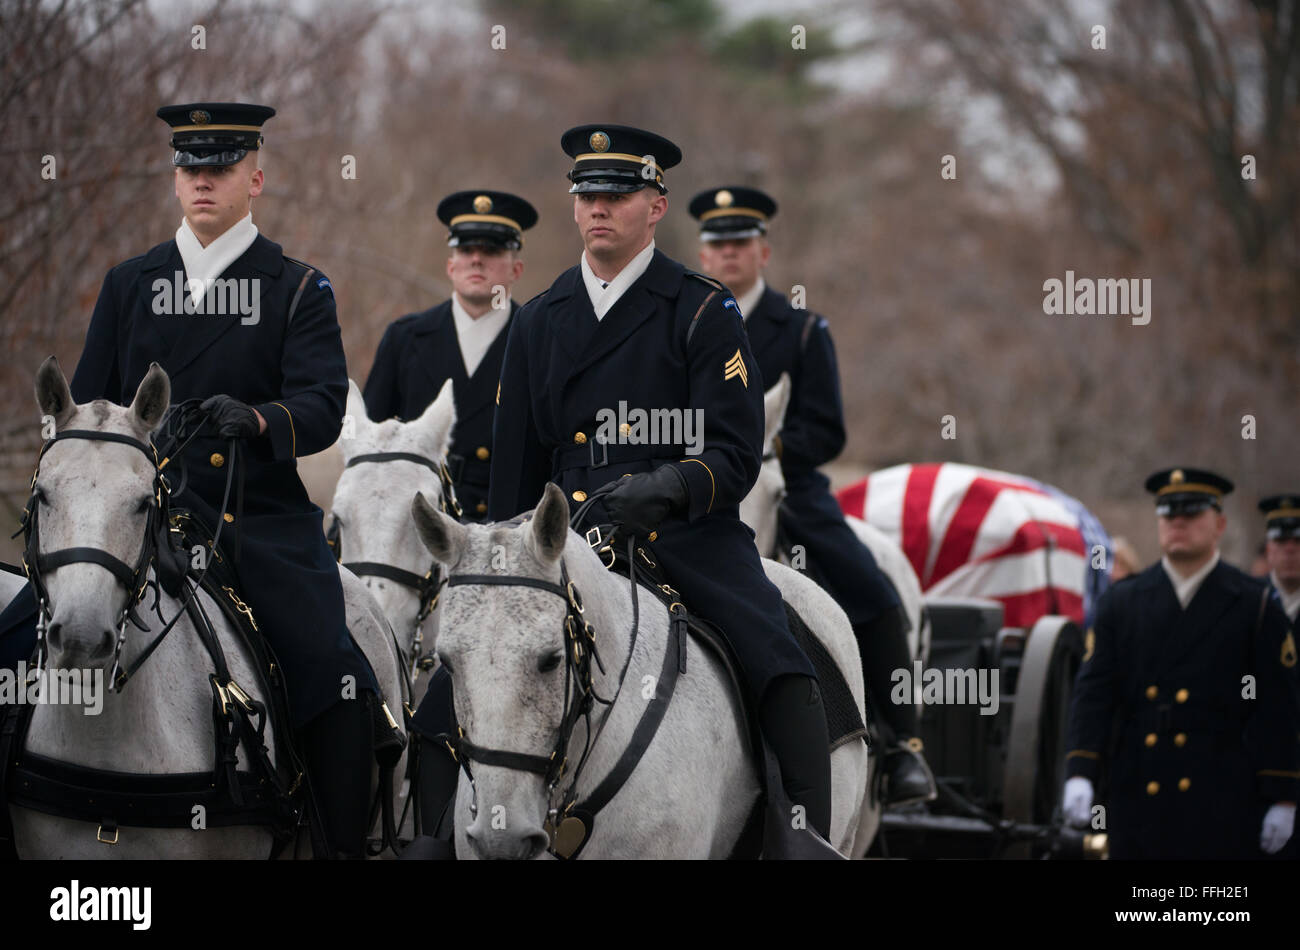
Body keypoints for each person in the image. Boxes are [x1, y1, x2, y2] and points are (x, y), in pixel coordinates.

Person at [410, 125, 833, 856]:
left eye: (618, 193)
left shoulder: (702, 311)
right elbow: (515, 477)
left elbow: (735, 456)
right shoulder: (539, 318)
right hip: (563, 543)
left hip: (688, 538)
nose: (598, 207)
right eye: (586, 194)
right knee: (442, 703)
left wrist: (669, 485)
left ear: (656, 205)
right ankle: (431, 841)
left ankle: (800, 842)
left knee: (781, 663)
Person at [0, 102, 379, 858]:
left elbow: (325, 406)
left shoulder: (299, 288)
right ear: (176, 180)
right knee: (8, 650)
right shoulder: (129, 282)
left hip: (254, 522)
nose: (203, 181)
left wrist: (263, 419)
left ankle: (339, 850)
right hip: (128, 523)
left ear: (256, 177)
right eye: (190, 168)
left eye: (221, 168)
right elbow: (86, 413)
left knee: (337, 678)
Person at [689, 185, 935, 804]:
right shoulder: (684, 321)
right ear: (702, 250)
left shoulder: (800, 329)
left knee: (870, 590)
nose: (728, 254)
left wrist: (772, 452)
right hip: (702, 489)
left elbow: (828, 428)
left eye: (740, 242)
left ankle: (905, 745)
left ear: (764, 250)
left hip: (789, 487)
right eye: (717, 244)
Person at [1062, 468, 1299, 858]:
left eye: (1191, 513)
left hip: (1222, 798)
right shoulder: (1122, 602)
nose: (1178, 522)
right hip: (1139, 791)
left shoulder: (1253, 603)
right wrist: (1081, 771)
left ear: (1219, 523)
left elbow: (1277, 709)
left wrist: (1283, 796)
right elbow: (1094, 695)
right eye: (1168, 513)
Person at [363, 191, 538, 519]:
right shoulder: (405, 338)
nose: (476, 259)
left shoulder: (538, 340)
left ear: (516, 269)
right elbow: (374, 442)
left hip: (505, 528)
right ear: (450, 265)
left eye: (492, 250)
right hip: (415, 526)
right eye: (466, 249)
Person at [1259, 495, 1300, 623]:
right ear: (1268, 550)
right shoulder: (1251, 599)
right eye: (1281, 541)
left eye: (1298, 541)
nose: (1290, 550)